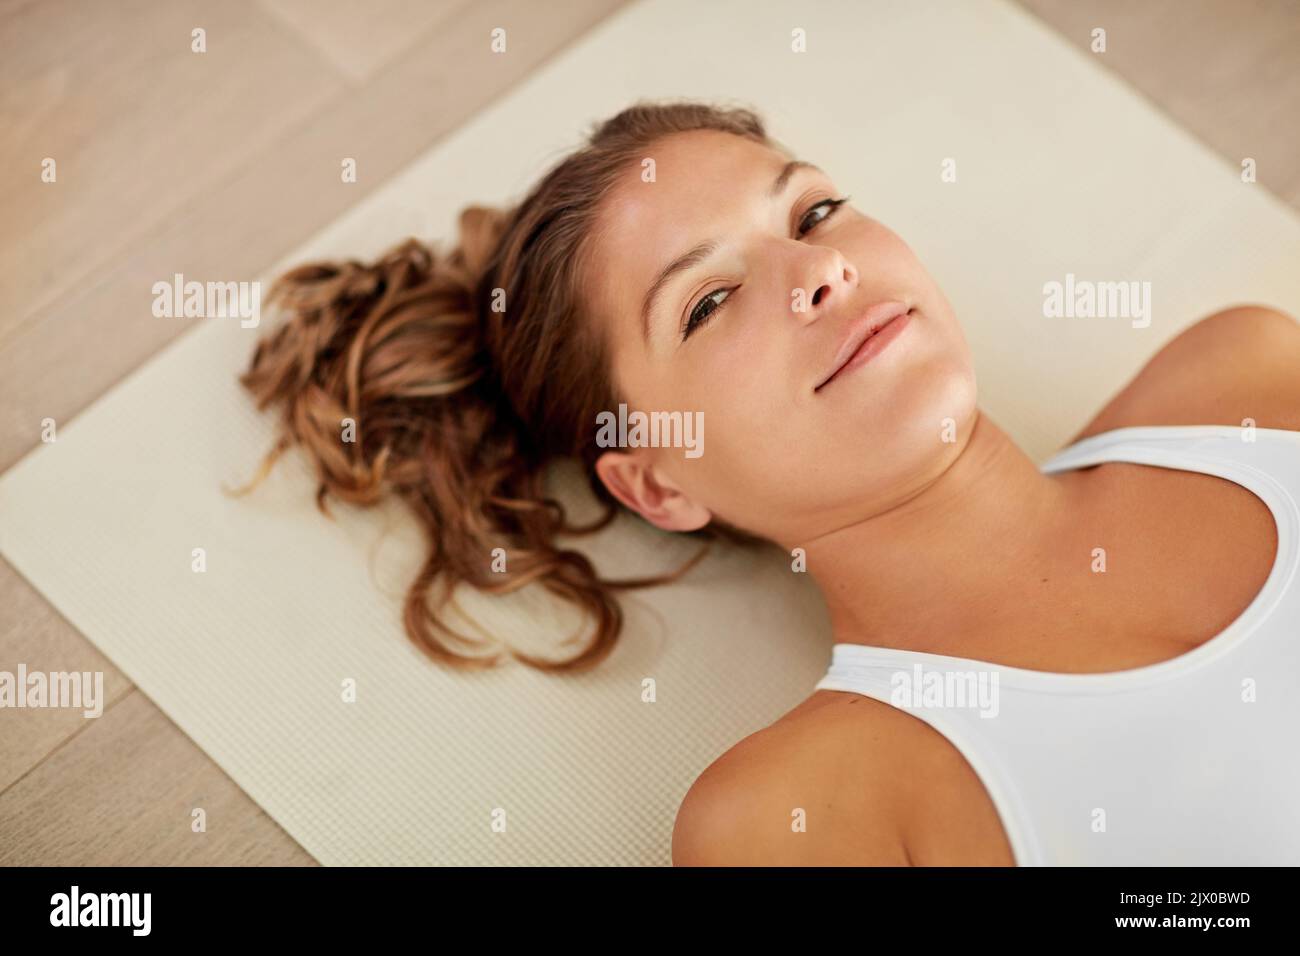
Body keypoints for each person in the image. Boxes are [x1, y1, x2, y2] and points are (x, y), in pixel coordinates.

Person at [240, 98, 1300, 866]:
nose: (819, 271)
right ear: (655, 483)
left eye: (813, 212)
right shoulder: (791, 816)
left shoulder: (1237, 377)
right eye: (704, 303)